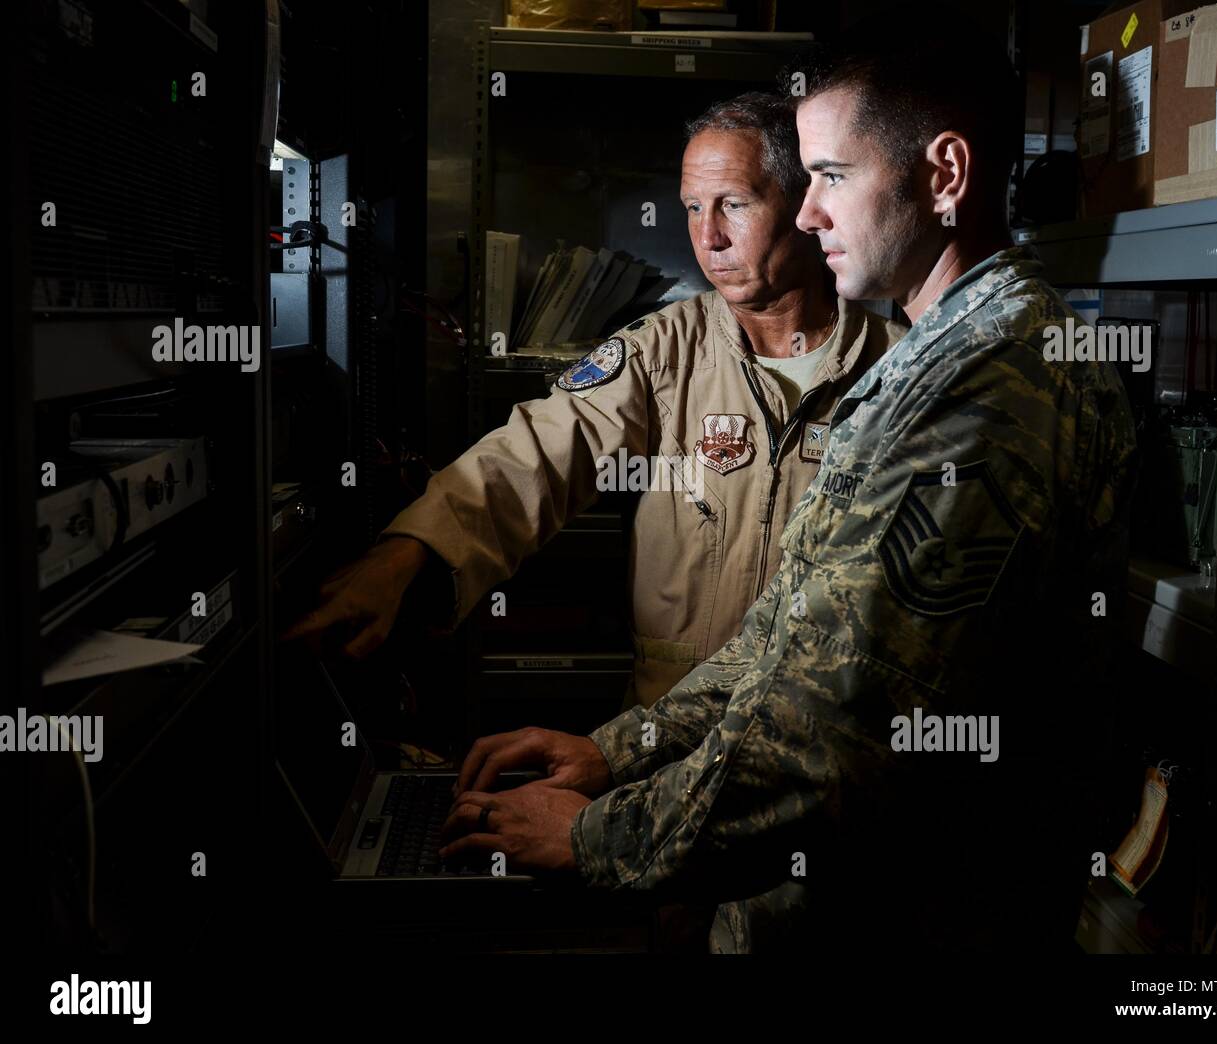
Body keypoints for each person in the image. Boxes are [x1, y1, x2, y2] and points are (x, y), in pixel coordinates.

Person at [441, 15, 1140, 953]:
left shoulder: (989, 388)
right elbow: (791, 638)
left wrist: (596, 835)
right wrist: (620, 750)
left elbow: (838, 735)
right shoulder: (937, 364)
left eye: (832, 178)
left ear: (944, 175)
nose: (809, 215)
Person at [282, 91, 902, 711]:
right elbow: (536, 452)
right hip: (668, 734)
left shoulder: (901, 366)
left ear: (803, 205)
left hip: (824, 734)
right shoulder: (664, 350)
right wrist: (412, 549)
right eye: (691, 208)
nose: (707, 237)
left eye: (733, 205)